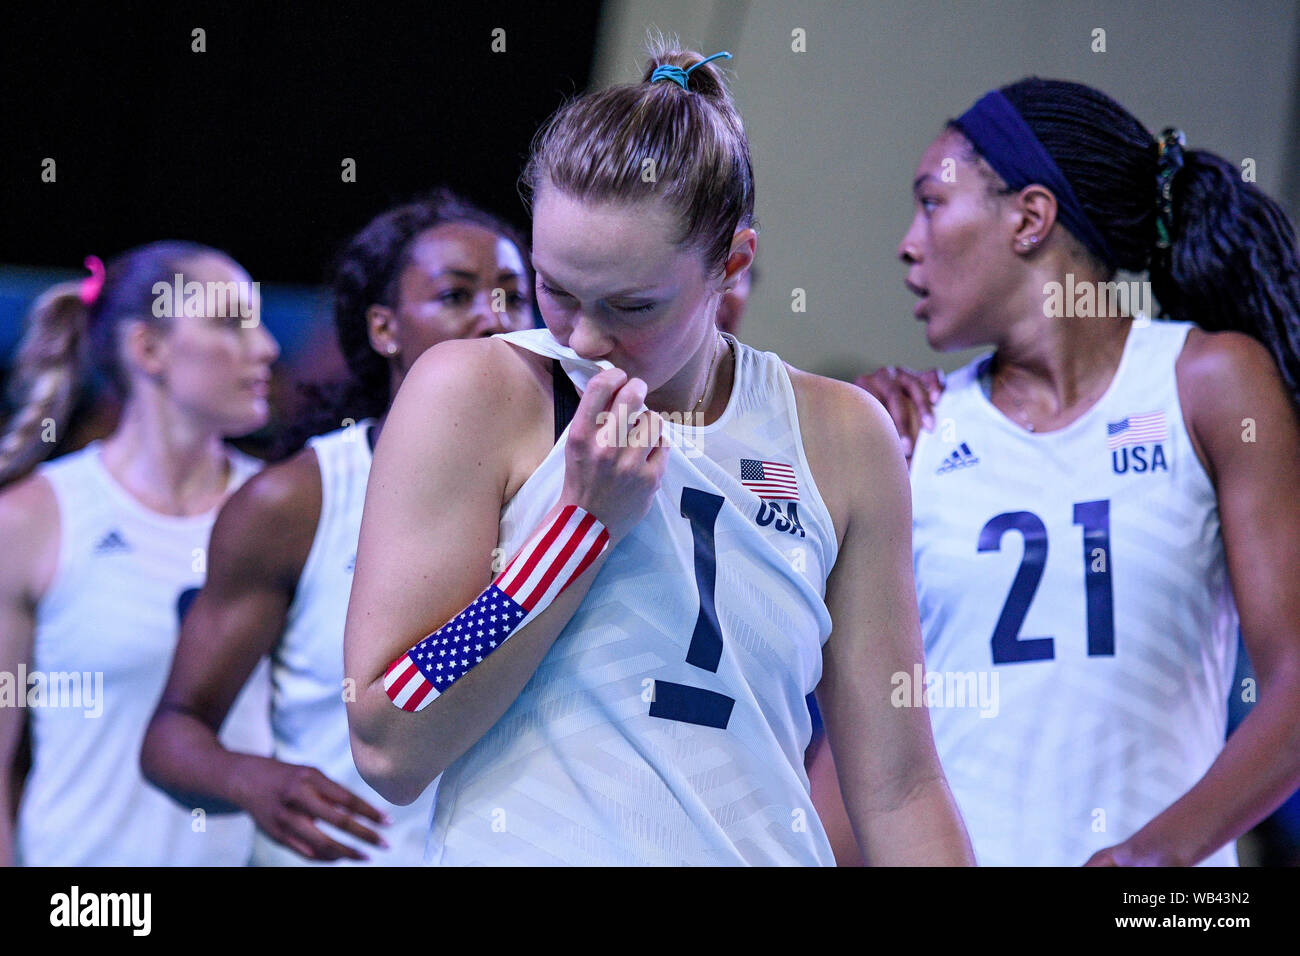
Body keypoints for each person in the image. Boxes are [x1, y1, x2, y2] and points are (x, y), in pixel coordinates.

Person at [343, 46, 974, 866]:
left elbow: (901, 790)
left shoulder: (843, 436)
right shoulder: (478, 392)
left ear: (732, 265)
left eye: (632, 305)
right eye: (556, 291)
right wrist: (575, 532)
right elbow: (390, 735)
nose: (587, 338)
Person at [850, 77, 1300, 866]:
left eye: (932, 202)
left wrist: (1147, 861)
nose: (906, 242)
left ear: (1029, 217)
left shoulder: (1208, 383)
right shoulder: (909, 431)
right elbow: (868, 762)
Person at [140, 191, 534, 865]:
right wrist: (252, 779)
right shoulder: (294, 502)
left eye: (512, 294)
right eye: (456, 295)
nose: (492, 319)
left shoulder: (576, 480)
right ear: (384, 329)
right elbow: (174, 733)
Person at [0, 241, 280, 865]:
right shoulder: (32, 519)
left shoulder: (282, 508)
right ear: (148, 349)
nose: (265, 347)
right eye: (230, 323)